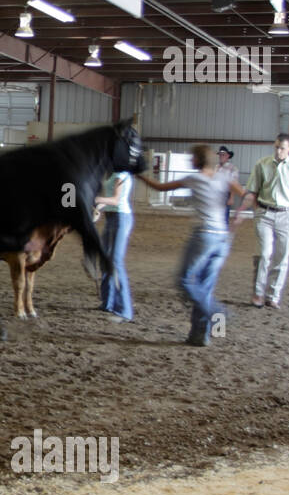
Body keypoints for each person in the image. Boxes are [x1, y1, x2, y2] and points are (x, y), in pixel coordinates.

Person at [138, 146, 248, 346]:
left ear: (198, 160)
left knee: (184, 280)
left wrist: (139, 175)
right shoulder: (224, 178)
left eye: (192, 158)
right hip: (223, 238)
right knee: (204, 288)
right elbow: (247, 194)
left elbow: (160, 187)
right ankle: (200, 336)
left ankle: (218, 312)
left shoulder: (194, 179)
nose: (190, 161)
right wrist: (240, 212)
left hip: (204, 236)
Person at [233, 132, 289, 310]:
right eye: (276, 147)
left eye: (282, 148)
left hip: (287, 215)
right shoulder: (262, 164)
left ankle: (273, 295)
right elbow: (252, 190)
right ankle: (258, 293)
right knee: (264, 254)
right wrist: (246, 209)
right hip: (265, 213)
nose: (278, 151)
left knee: (282, 257)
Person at [93, 168, 135, 321]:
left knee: (116, 262)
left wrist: (96, 199)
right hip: (111, 218)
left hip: (120, 217)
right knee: (105, 259)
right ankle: (108, 302)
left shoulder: (121, 175)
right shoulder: (112, 173)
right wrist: (97, 207)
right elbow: (110, 201)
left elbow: (116, 200)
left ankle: (125, 310)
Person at [217, 145, 239, 222]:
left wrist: (231, 198)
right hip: (216, 194)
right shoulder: (216, 167)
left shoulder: (233, 168)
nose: (221, 156)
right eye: (220, 155)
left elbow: (233, 184)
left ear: (228, 156)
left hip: (226, 195)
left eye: (223, 154)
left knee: (224, 219)